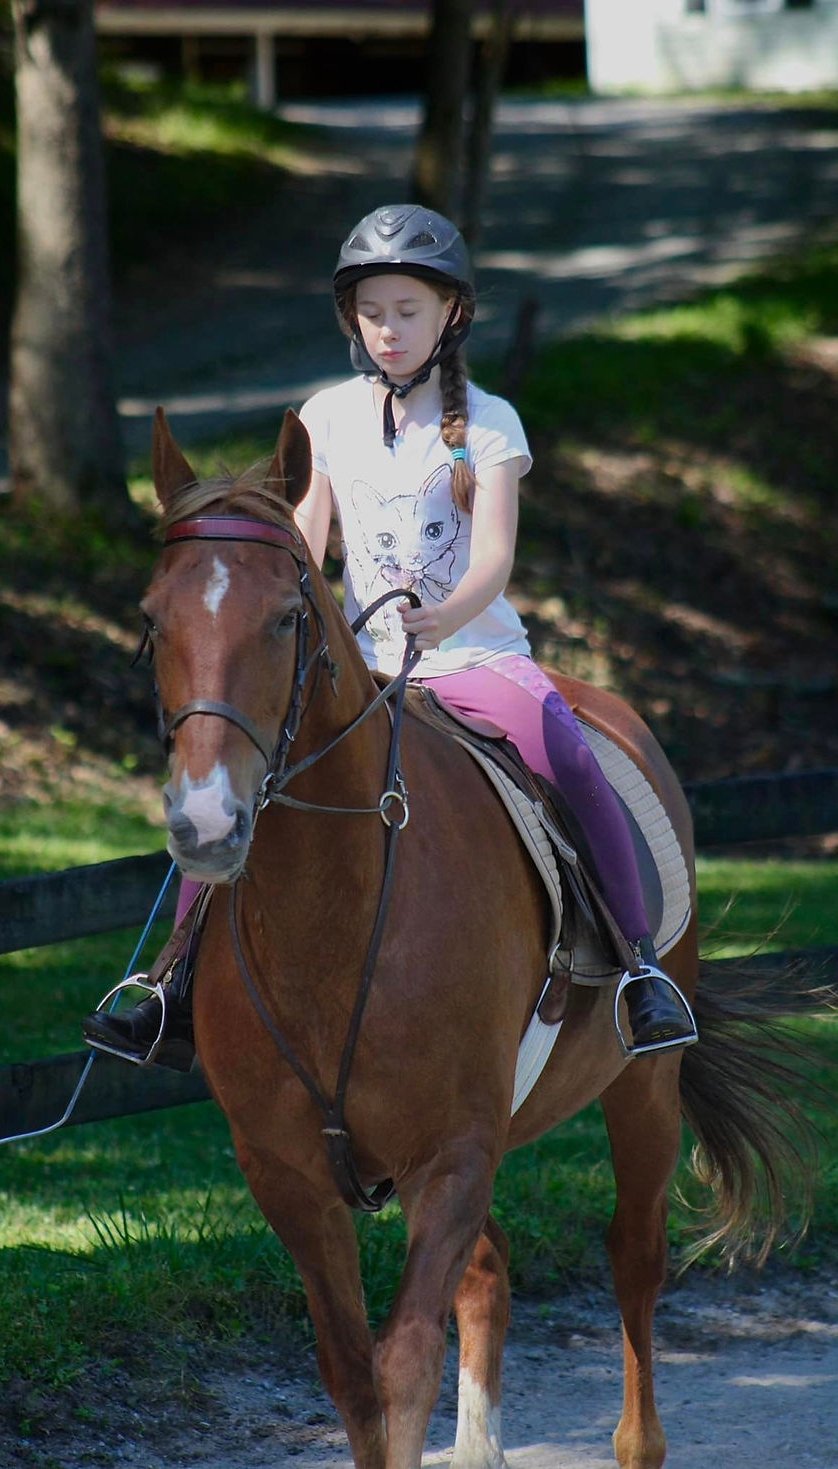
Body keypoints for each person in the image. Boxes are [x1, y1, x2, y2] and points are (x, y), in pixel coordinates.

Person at [84, 203, 695, 1065]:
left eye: (407, 310)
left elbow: (495, 557)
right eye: (372, 312)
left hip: (473, 656)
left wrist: (447, 614)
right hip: (363, 667)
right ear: (350, 319)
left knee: (569, 751)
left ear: (451, 312)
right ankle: (170, 975)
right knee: (230, 768)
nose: (388, 329)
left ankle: (638, 964)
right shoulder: (325, 418)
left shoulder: (490, 424)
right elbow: (300, 543)